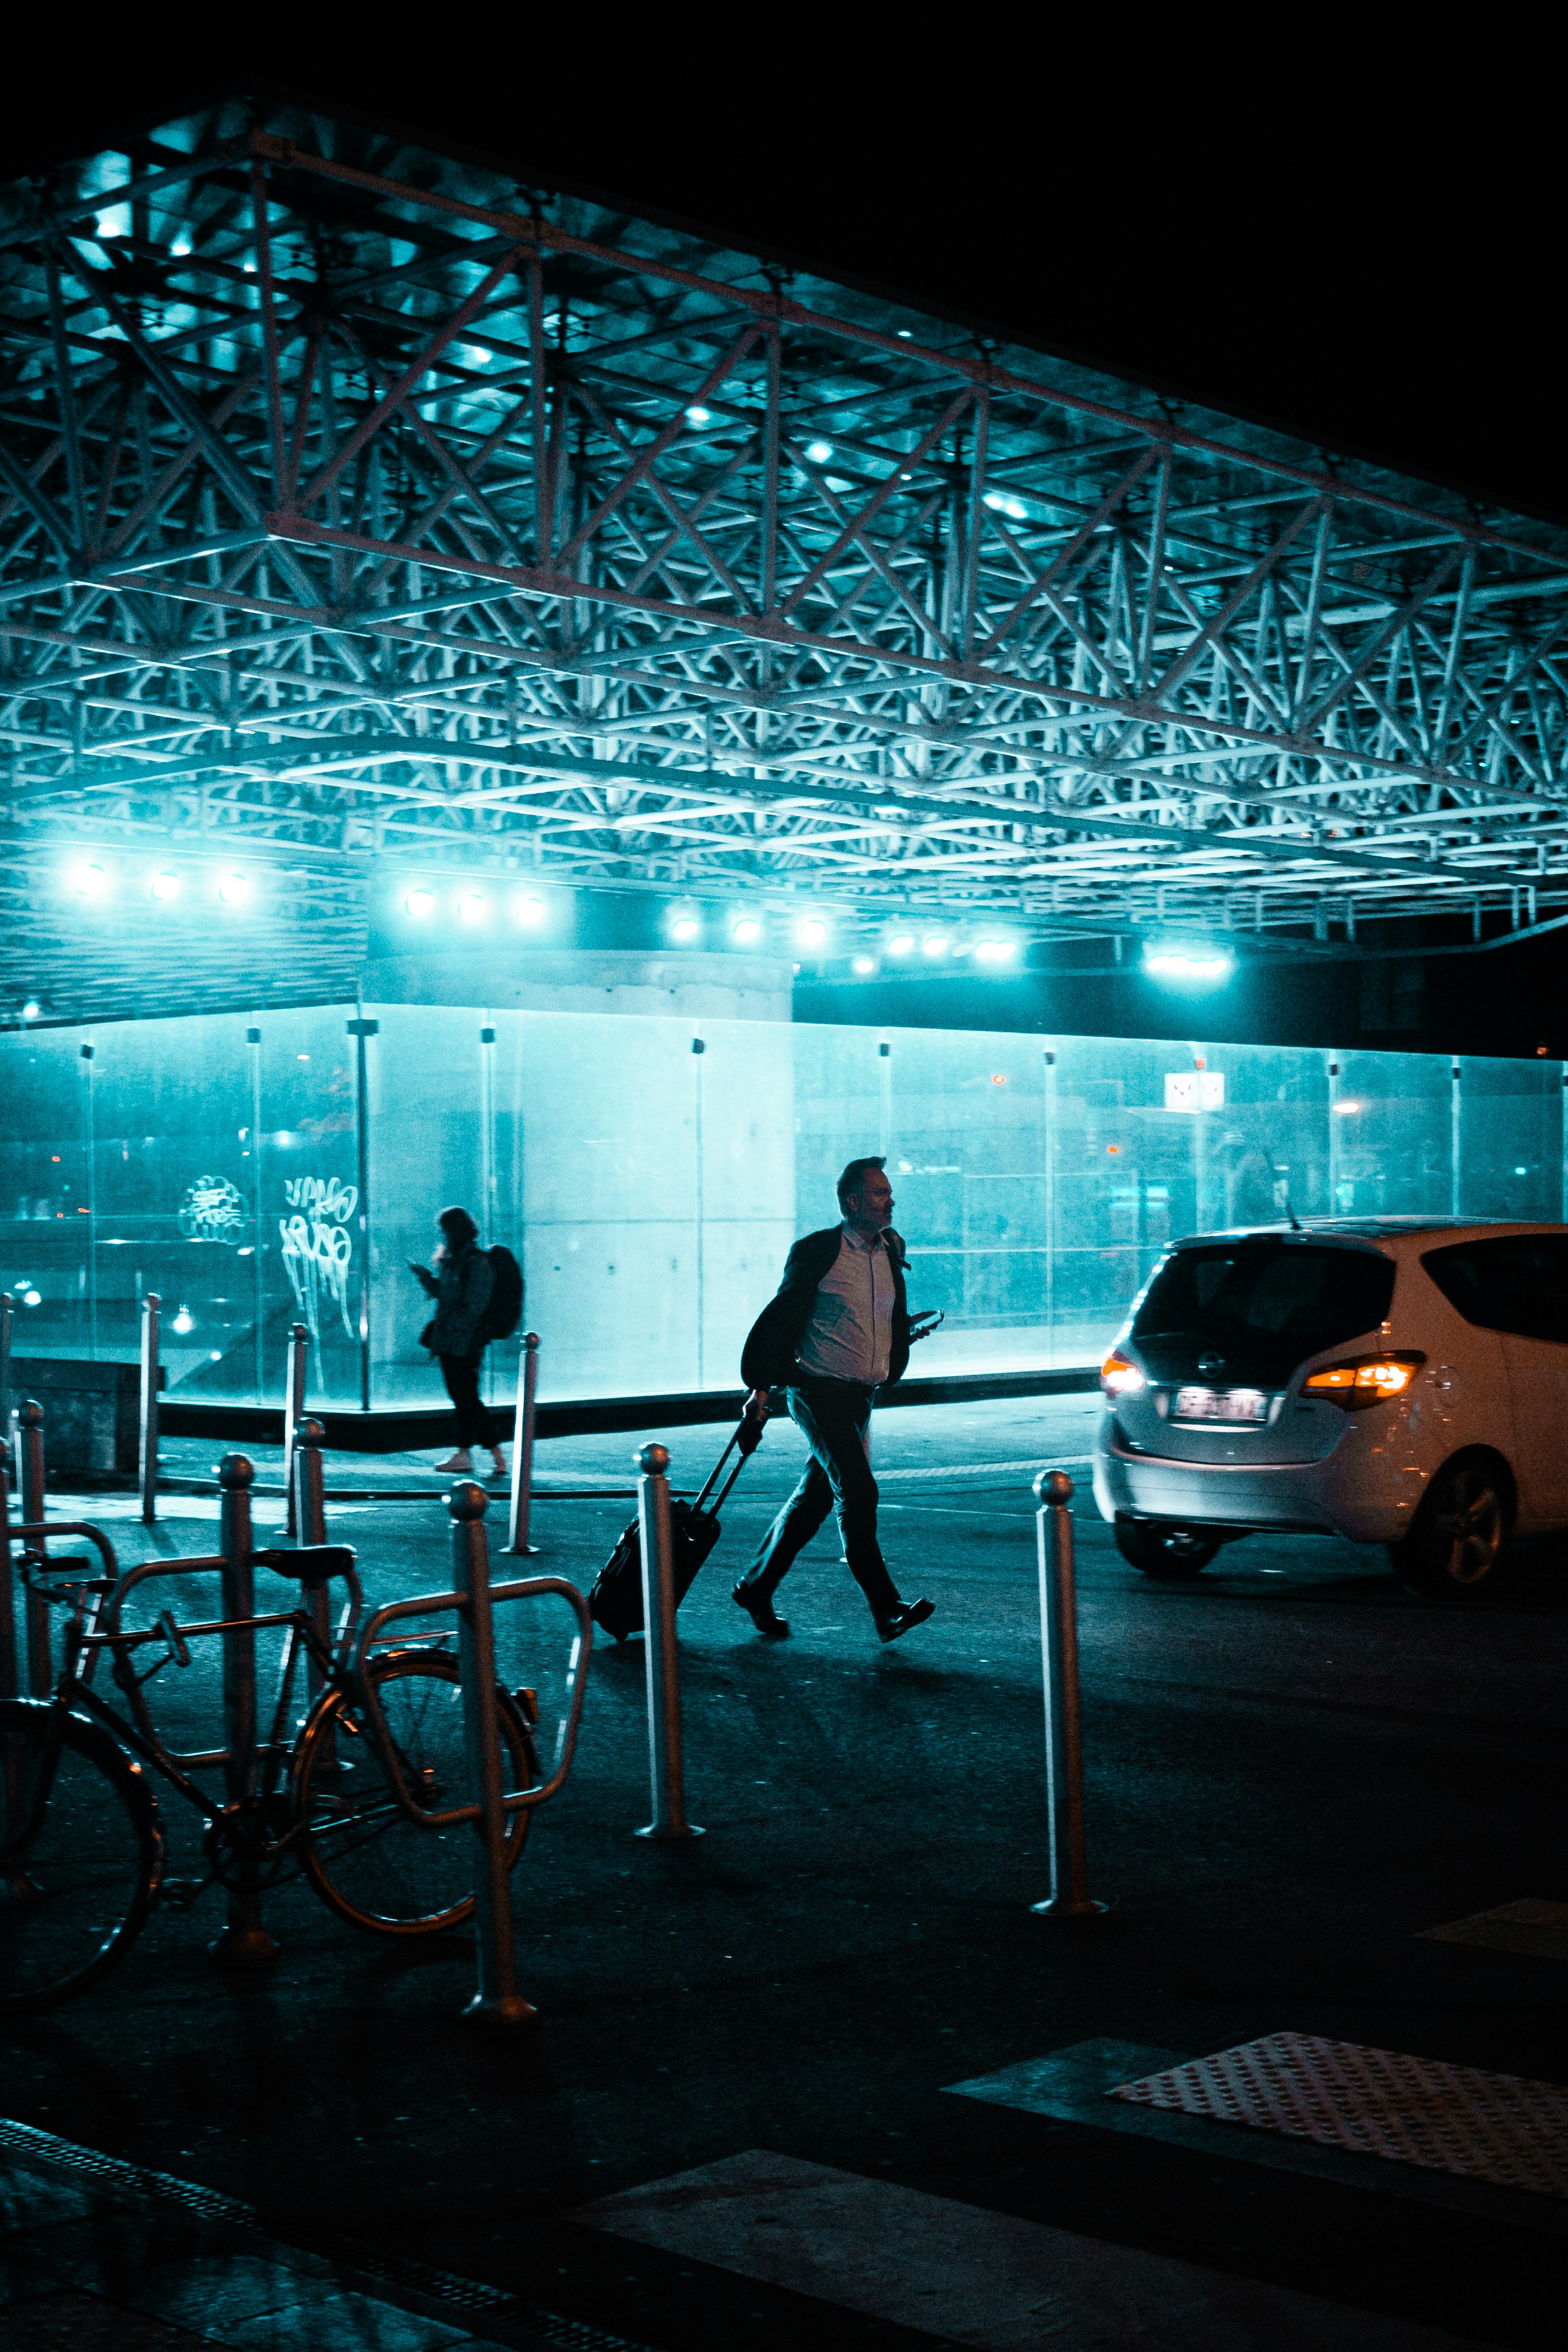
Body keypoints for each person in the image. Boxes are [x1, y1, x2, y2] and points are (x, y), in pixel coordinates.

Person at [732, 1156, 934, 1644]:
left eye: (889, 1192)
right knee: (859, 1491)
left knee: (814, 1500)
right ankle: (886, 1609)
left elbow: (873, 1318)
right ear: (853, 1202)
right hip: (817, 1391)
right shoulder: (819, 1251)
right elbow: (782, 1322)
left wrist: (901, 1335)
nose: (892, 1200)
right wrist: (759, 1393)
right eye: (882, 1193)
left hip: (860, 1396)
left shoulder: (889, 1250)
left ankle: (756, 1588)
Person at [409, 1206, 507, 1478]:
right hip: (451, 1339)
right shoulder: (456, 1260)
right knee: (464, 1398)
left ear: (455, 1230)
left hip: (463, 1341)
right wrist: (427, 1278)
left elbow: (473, 1305)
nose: (442, 1235)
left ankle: (485, 1453)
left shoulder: (477, 1262)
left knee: (466, 1398)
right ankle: (475, 1453)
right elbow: (447, 1295)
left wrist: (456, 1330)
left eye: (444, 1230)